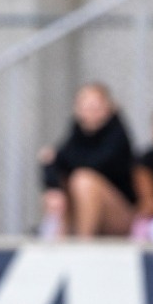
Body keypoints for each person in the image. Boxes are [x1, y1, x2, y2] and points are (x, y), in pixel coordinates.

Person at [39, 83, 136, 238]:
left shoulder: (117, 135)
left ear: (109, 107)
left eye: (95, 106)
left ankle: (84, 242)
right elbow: (51, 163)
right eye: (85, 106)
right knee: (58, 188)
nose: (90, 112)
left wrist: (56, 158)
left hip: (120, 215)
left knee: (83, 180)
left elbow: (95, 163)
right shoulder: (77, 132)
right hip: (83, 208)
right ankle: (57, 239)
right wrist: (54, 187)